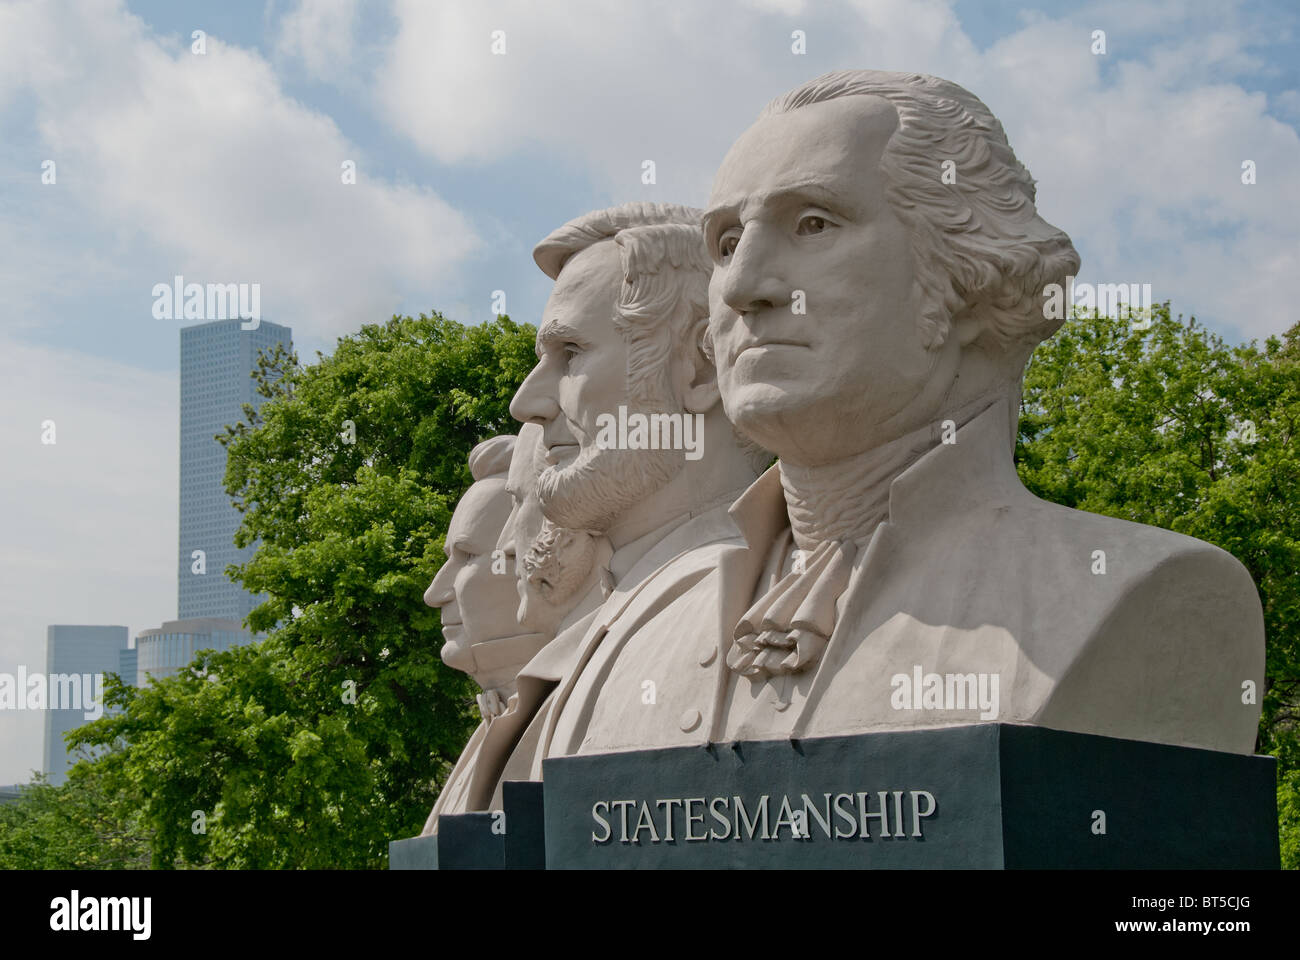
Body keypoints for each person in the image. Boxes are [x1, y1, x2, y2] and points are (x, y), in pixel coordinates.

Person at [698, 70, 1263, 754]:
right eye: (725, 244)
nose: (744, 285)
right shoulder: (654, 627)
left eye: (813, 224)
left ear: (968, 270)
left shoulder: (1147, 594)